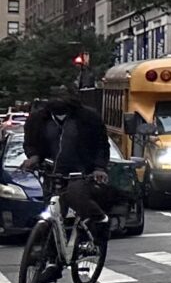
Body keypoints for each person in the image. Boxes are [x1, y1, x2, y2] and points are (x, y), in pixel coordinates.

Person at [23, 86, 110, 256]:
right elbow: (31, 143)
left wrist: (99, 168)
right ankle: (51, 258)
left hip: (81, 171)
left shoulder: (88, 118)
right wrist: (34, 157)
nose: (58, 103)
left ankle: (99, 219)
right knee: (53, 211)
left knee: (75, 195)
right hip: (52, 171)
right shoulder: (38, 120)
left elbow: (101, 144)